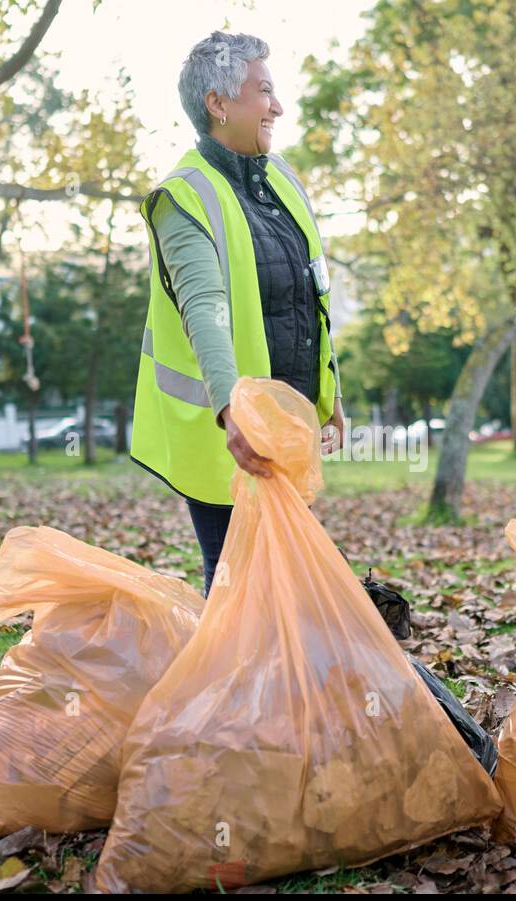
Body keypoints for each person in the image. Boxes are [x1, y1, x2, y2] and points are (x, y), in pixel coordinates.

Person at [130, 31, 344, 595]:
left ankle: (272, 682)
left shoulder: (283, 182)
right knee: (237, 581)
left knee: (282, 578)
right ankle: (230, 684)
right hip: (228, 433)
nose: (278, 105)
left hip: (287, 422)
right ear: (218, 104)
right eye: (264, 90)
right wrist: (233, 409)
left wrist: (330, 394)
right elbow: (205, 307)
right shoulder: (184, 195)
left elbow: (310, 293)